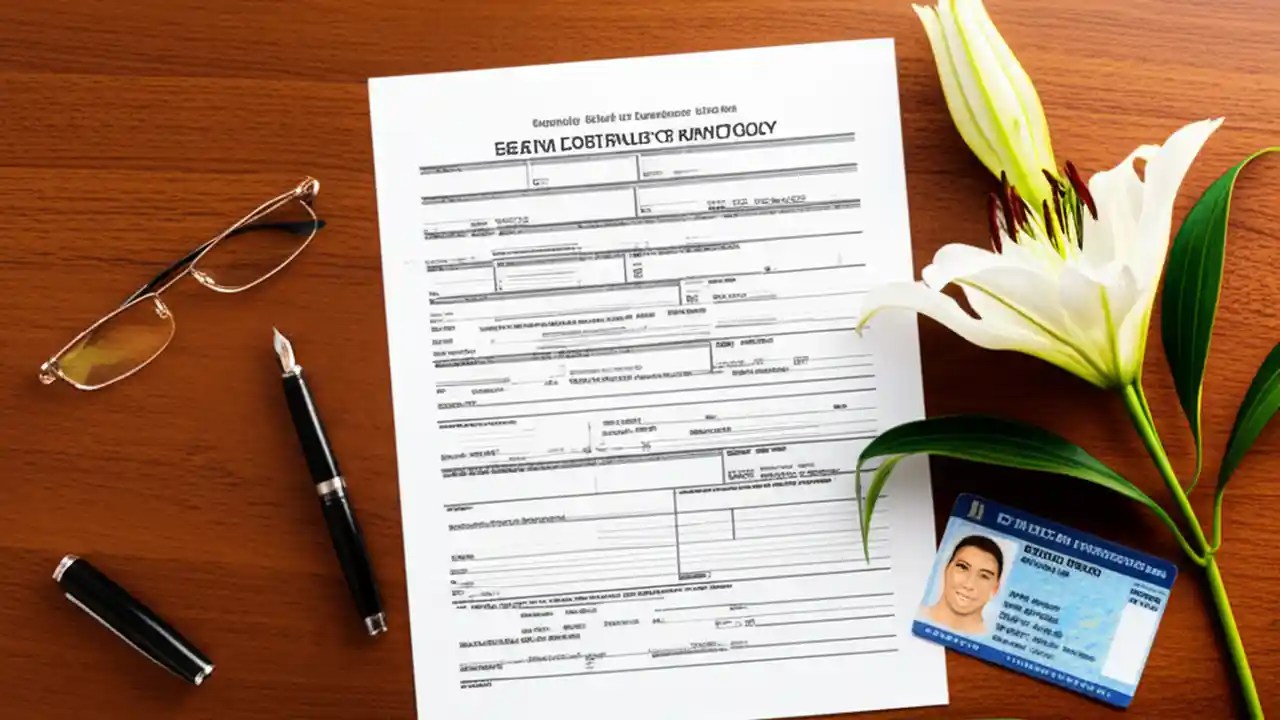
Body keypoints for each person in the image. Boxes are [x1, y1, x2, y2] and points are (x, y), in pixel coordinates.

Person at [923, 534, 1004, 635]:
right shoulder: (913, 615)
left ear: (995, 589)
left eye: (984, 576)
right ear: (946, 568)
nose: (969, 584)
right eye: (963, 567)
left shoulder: (990, 638)